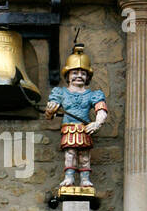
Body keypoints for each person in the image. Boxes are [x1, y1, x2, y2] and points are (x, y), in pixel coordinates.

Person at [44, 42, 108, 192]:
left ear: (87, 77)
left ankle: (85, 179)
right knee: (70, 154)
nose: (79, 76)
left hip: (84, 129)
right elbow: (50, 110)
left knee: (85, 156)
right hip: (69, 128)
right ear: (68, 75)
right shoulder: (61, 93)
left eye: (83, 73)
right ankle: (69, 177)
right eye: (75, 73)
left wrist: (97, 123)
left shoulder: (93, 94)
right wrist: (51, 109)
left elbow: (101, 110)